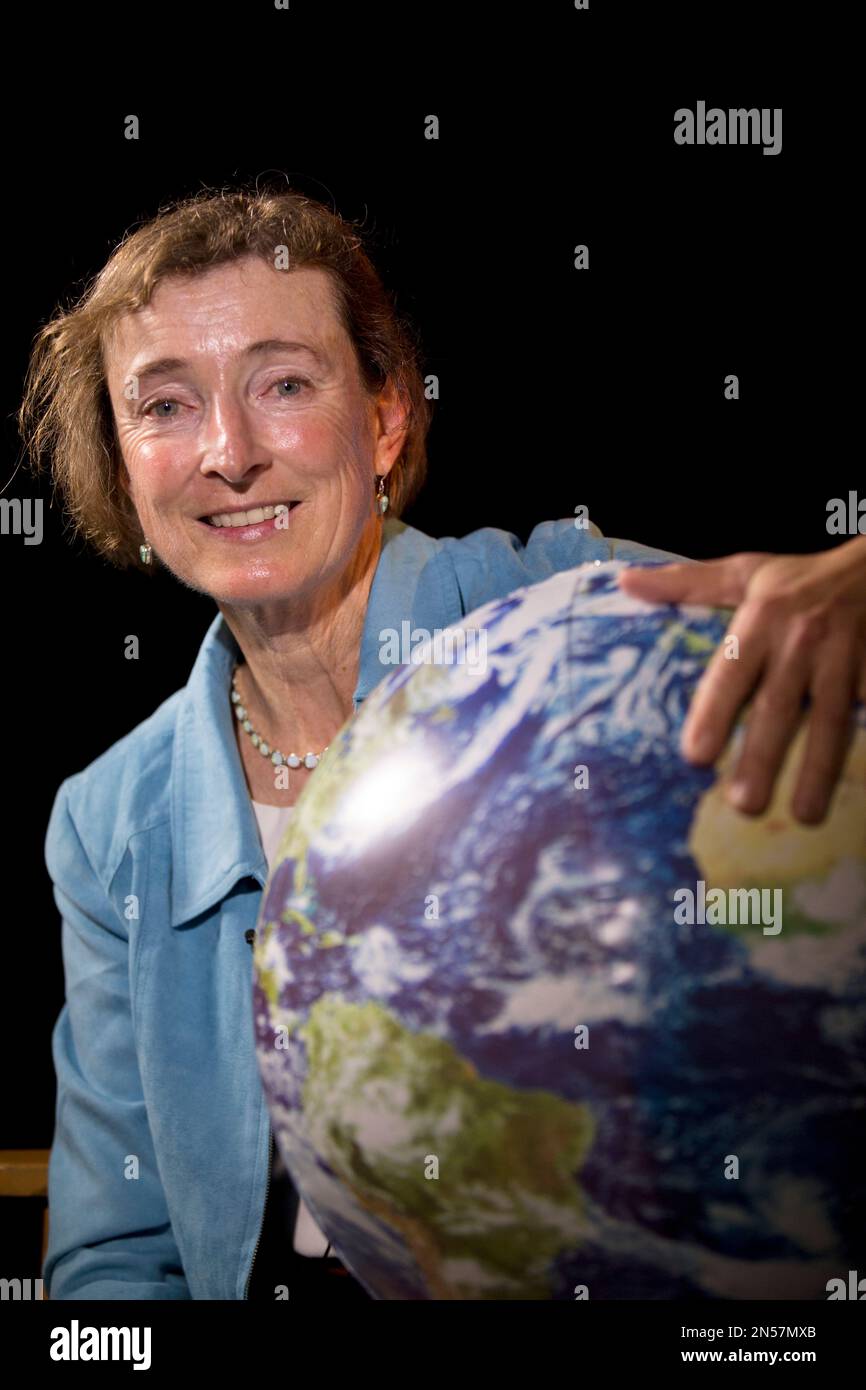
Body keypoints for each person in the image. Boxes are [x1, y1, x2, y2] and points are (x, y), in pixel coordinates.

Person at [20, 186, 866, 1300]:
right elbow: (112, 1258)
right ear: (124, 466)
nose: (226, 453)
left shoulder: (571, 610)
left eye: (282, 384)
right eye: (163, 405)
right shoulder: (108, 818)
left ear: (384, 418)